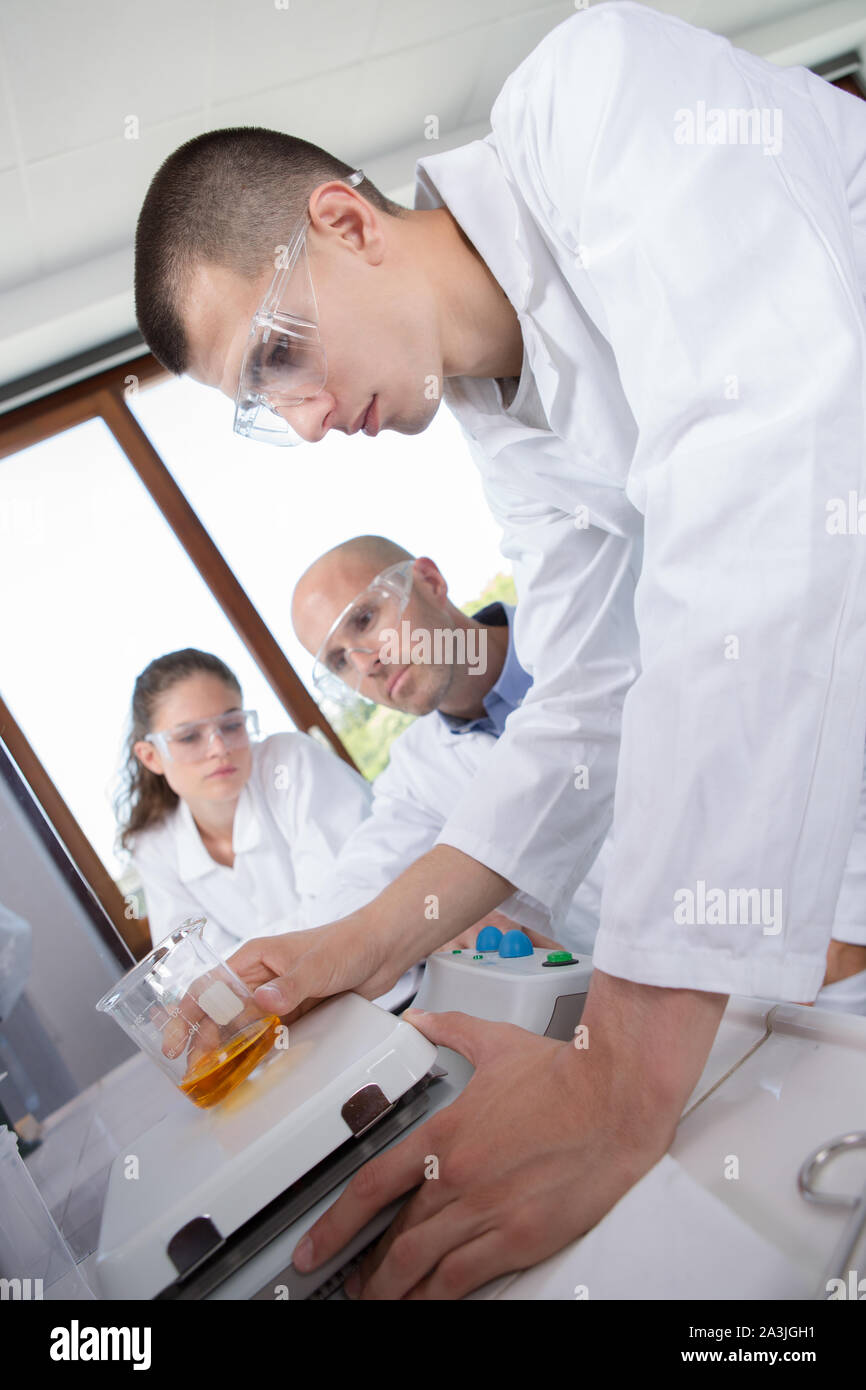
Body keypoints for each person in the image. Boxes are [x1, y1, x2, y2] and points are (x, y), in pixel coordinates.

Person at [133, 4, 866, 1298]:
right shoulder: (503, 427)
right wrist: (354, 941)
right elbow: (586, 703)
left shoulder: (592, 97)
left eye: (281, 357)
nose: (304, 423)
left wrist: (622, 1071)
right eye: (264, 410)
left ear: (345, 224)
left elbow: (779, 483)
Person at [297, 532, 607, 951]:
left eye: (365, 619)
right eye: (339, 661)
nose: (366, 663)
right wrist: (435, 927)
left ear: (430, 581)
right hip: (641, 993)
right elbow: (345, 899)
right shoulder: (416, 774)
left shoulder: (588, 632)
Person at [116, 648, 372, 956]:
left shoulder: (288, 763)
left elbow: (347, 908)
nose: (219, 748)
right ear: (151, 756)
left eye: (231, 725)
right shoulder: (155, 846)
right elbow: (186, 969)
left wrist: (238, 964)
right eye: (189, 737)